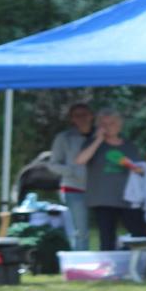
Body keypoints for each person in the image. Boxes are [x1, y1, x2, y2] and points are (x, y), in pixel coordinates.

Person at [74, 108, 146, 252]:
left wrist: (136, 168)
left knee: (138, 233)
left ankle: (139, 264)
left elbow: (141, 169)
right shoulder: (92, 144)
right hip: (103, 200)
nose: (108, 127)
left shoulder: (129, 145)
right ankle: (109, 267)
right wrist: (98, 140)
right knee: (107, 237)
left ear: (119, 125)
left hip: (128, 198)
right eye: (103, 124)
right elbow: (80, 160)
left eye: (112, 123)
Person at [47, 102, 93, 250]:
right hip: (74, 190)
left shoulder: (100, 136)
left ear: (91, 116)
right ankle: (80, 264)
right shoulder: (64, 138)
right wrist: (73, 171)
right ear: (72, 119)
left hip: (99, 190)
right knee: (80, 230)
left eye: (84, 114)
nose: (82, 119)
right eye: (77, 116)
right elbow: (53, 165)